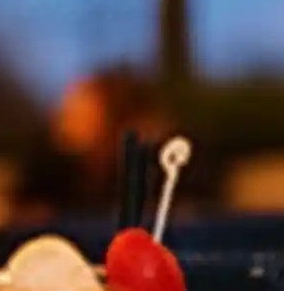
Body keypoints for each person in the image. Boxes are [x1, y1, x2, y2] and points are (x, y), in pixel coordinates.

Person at [14, 69, 170, 224]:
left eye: (80, 105)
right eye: (68, 104)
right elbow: (22, 216)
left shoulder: (150, 171)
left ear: (113, 118)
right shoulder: (48, 167)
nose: (63, 113)